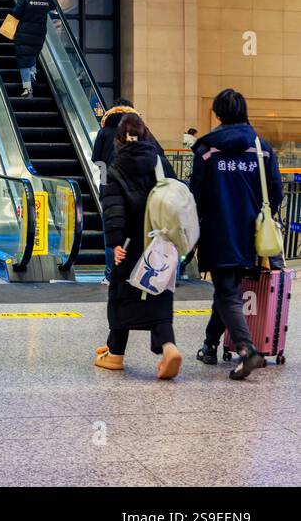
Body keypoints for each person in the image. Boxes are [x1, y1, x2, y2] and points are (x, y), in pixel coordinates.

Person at [190, 89, 284, 381]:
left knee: (227, 290)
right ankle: (210, 344)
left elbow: (196, 195)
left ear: (218, 114)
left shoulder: (206, 150)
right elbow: (277, 193)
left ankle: (247, 350)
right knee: (227, 288)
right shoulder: (262, 149)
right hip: (253, 235)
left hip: (218, 231)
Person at [93, 114, 181, 379]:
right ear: (146, 136)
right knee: (159, 297)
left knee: (122, 296)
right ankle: (169, 348)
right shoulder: (161, 163)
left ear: (120, 139)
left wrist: (115, 243)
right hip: (160, 244)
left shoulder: (115, 167)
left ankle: (116, 354)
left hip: (130, 245)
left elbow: (114, 209)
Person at [7, 0, 53, 98]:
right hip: (40, 34)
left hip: (24, 33)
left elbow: (16, 13)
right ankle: (33, 73)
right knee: (32, 55)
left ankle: (28, 88)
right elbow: (54, 6)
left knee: (23, 61)